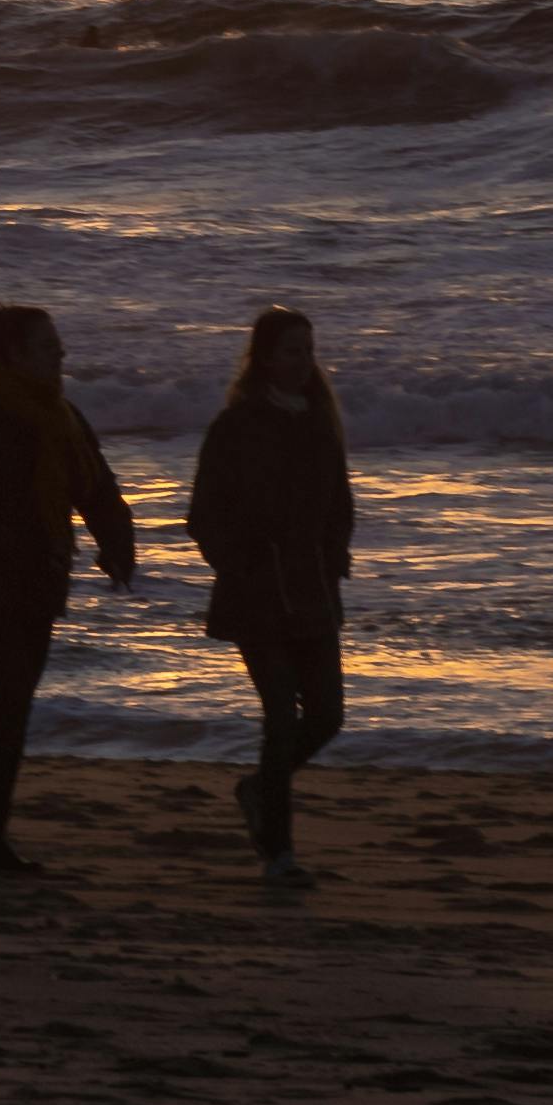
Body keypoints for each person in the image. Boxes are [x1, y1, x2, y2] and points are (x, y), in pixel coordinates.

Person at [0, 300, 137, 879]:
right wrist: (6, 548)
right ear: (15, 354)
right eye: (48, 346)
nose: (60, 354)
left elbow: (96, 487)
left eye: (58, 345)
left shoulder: (62, 414)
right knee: (13, 693)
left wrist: (118, 544)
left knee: (15, 701)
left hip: (41, 579)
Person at [188, 305, 352, 892]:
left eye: (309, 350)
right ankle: (278, 852)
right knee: (281, 718)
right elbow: (203, 514)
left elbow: (340, 504)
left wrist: (335, 557)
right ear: (264, 358)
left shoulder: (319, 421)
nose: (303, 362)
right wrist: (240, 565)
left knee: (327, 715)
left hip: (313, 592)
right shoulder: (235, 426)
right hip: (256, 597)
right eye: (292, 351)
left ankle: (258, 788)